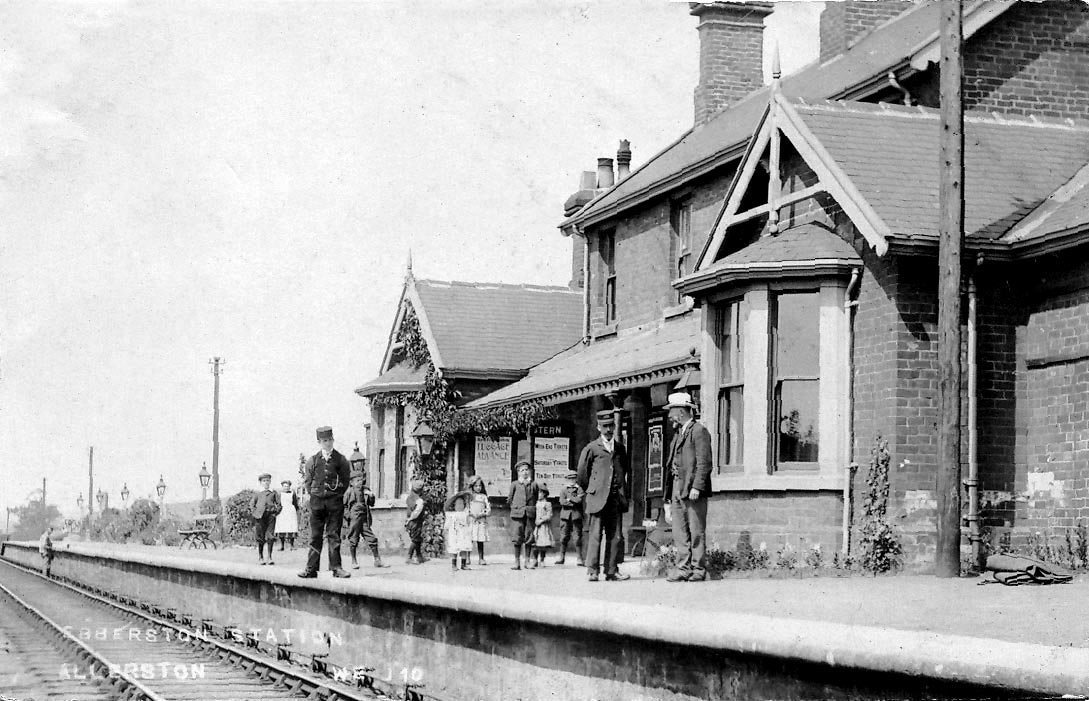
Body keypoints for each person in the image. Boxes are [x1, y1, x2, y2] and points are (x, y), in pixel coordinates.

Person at [663, 392, 713, 583]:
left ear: (681, 412)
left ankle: (698, 569)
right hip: (677, 488)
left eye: (671, 412)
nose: (669, 417)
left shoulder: (699, 431)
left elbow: (704, 463)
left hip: (692, 490)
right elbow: (670, 466)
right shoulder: (678, 435)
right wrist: (668, 496)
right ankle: (683, 568)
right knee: (679, 531)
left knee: (696, 529)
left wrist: (697, 487)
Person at [577, 409, 631, 582]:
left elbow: (624, 469)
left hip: (615, 499)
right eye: (604, 426)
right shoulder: (591, 448)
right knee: (595, 535)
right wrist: (593, 490)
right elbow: (582, 475)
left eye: (611, 426)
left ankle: (611, 570)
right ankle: (592, 571)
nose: (608, 430)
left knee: (615, 536)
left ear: (615, 426)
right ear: (598, 427)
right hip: (597, 498)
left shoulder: (620, 448)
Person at [298, 426, 352, 579]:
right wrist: (316, 495)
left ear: (333, 440)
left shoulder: (341, 459)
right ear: (319, 442)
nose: (327, 443)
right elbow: (308, 482)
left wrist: (336, 495)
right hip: (317, 503)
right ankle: (311, 569)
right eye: (324, 441)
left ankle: (336, 568)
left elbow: (346, 480)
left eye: (329, 440)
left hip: (335, 503)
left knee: (334, 535)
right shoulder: (313, 460)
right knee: (315, 536)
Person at [344, 473, 387, 569]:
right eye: (357, 481)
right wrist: (349, 516)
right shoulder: (349, 492)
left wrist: (371, 496)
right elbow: (344, 506)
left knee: (371, 537)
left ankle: (377, 560)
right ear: (351, 482)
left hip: (364, 517)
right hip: (354, 518)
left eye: (361, 480)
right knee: (353, 539)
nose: (360, 482)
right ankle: (354, 561)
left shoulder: (366, 490)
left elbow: (371, 504)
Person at [507, 462, 538, 570]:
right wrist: (516, 508)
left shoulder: (533, 484)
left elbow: (536, 498)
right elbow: (510, 499)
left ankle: (527, 561)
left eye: (526, 470)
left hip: (529, 514)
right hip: (517, 514)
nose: (525, 472)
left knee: (529, 537)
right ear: (518, 472)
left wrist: (531, 509)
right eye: (522, 470)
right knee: (517, 537)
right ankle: (517, 562)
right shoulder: (514, 484)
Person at [252, 473, 283, 565]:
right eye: (264, 481)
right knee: (260, 537)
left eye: (268, 481)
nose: (266, 483)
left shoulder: (273, 493)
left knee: (270, 536)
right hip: (260, 517)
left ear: (270, 482)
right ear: (260, 482)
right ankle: (260, 557)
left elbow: (279, 505)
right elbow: (252, 505)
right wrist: (255, 513)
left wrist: (275, 513)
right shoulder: (257, 493)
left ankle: (269, 557)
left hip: (270, 516)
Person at [555, 471, 585, 565]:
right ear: (567, 479)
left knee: (577, 537)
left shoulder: (579, 489)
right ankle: (561, 557)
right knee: (563, 537)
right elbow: (562, 502)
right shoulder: (563, 489)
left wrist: (570, 499)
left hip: (576, 516)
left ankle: (579, 558)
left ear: (576, 479)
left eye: (573, 478)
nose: (572, 480)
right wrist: (573, 500)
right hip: (565, 516)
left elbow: (580, 500)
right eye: (570, 479)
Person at [443, 491, 473, 571]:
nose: (460, 506)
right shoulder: (451, 514)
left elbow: (468, 523)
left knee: (464, 548)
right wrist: (445, 529)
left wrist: (469, 530)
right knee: (454, 548)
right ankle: (454, 565)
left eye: (462, 504)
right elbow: (448, 523)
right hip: (454, 533)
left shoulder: (465, 514)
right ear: (454, 506)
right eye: (458, 504)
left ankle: (463, 564)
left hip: (463, 534)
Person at [467, 475, 491, 565]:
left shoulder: (483, 497)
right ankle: (467, 558)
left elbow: (488, 509)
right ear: (472, 486)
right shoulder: (469, 497)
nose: (478, 488)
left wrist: (483, 513)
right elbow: (466, 508)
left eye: (480, 486)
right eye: (476, 486)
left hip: (481, 521)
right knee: (470, 539)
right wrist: (471, 514)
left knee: (480, 539)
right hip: (472, 520)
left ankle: (481, 558)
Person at [404, 479, 427, 564]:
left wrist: (408, 520)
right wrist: (411, 519)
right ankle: (409, 557)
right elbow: (416, 513)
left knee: (417, 539)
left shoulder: (409, 497)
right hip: (415, 522)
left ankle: (419, 556)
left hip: (410, 521)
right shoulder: (419, 501)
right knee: (415, 540)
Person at [532, 483, 553, 568]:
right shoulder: (535, 503)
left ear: (544, 493)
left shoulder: (547, 504)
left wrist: (541, 520)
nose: (538, 495)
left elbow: (549, 515)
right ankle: (534, 559)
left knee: (543, 544)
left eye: (540, 493)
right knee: (535, 544)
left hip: (543, 526)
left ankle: (542, 559)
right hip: (535, 526)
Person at [275, 479, 300, 551]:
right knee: (282, 528)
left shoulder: (292, 493)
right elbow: (278, 503)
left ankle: (291, 545)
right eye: (284, 486)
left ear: (289, 487)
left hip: (290, 511)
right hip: (282, 512)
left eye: (287, 486)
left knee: (291, 527)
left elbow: (295, 503)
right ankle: (282, 546)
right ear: (282, 487)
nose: (286, 487)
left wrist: (296, 511)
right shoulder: (279, 494)